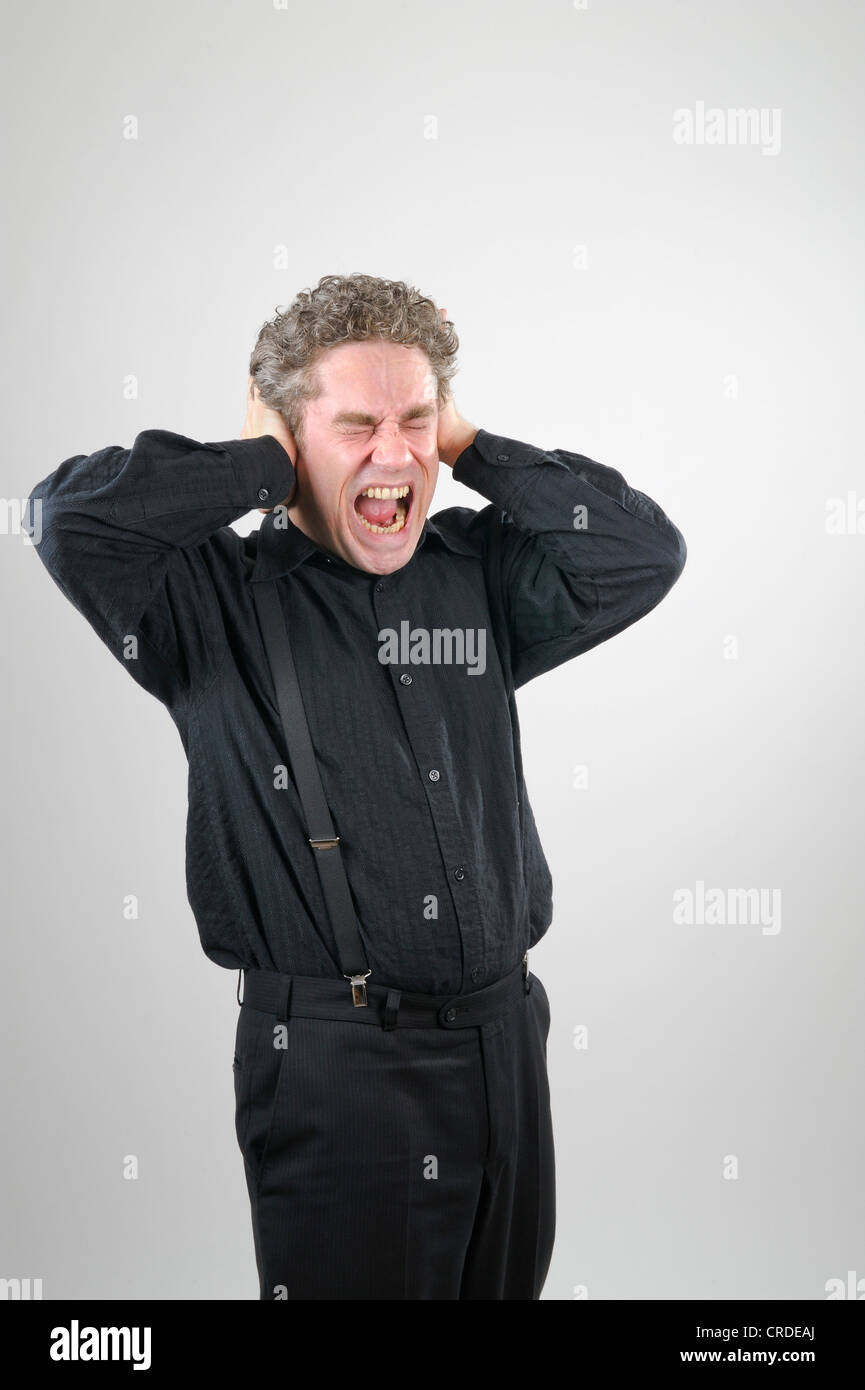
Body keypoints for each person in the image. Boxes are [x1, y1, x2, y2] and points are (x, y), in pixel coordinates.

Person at [25, 272, 687, 1300]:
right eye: (357, 426)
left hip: (506, 1043)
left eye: (415, 420)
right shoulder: (205, 600)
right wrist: (252, 462)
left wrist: (468, 445)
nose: (394, 455)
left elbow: (641, 552)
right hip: (338, 1066)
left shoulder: (476, 572)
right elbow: (68, 521)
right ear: (289, 439)